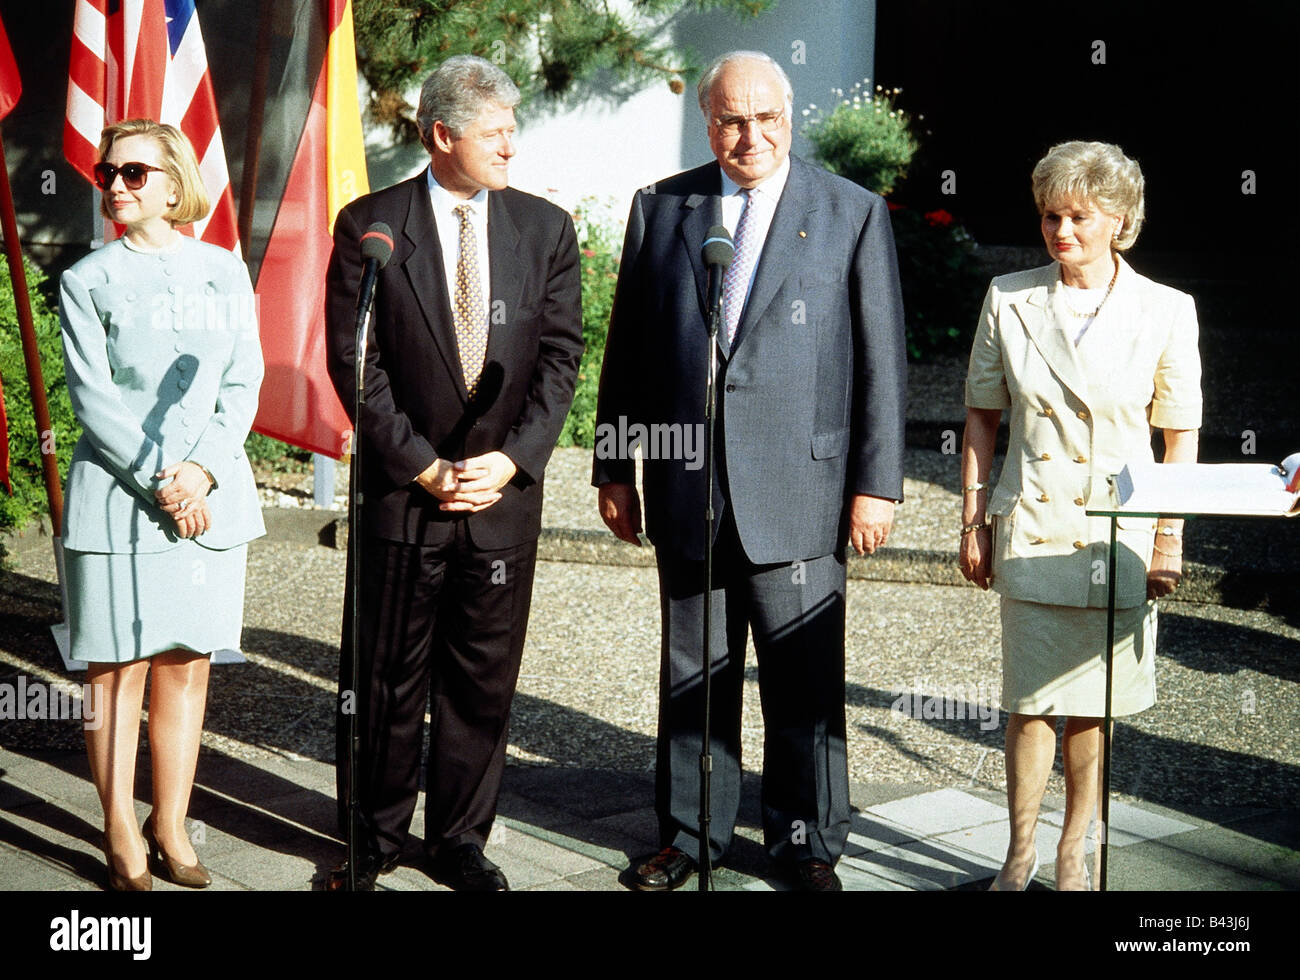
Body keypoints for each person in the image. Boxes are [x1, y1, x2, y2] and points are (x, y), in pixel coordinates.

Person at [593, 50, 907, 891]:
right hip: (689, 483)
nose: (751, 135)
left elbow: (882, 360)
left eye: (767, 117)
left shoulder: (850, 211)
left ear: (789, 116)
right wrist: (614, 463)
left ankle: (804, 843)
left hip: (803, 489)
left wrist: (876, 485)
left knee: (803, 683)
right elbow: (630, 347)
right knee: (693, 676)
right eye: (732, 119)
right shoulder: (663, 207)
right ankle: (691, 838)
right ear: (709, 122)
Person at [323, 55, 582, 892]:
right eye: (495, 132)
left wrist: (511, 460)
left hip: (499, 500)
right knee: (387, 676)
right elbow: (353, 364)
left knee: (480, 679)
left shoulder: (545, 229)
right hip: (405, 498)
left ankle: (461, 841)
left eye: (513, 129)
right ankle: (374, 837)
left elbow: (559, 359)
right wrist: (425, 467)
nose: (513, 146)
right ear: (441, 135)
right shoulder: (371, 224)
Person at [959, 141, 1201, 891]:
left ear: (1119, 220)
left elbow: (1179, 435)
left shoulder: (1166, 309)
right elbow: (980, 419)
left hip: (1116, 540)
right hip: (1032, 527)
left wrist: (1168, 535)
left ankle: (1075, 850)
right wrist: (971, 521)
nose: (1060, 231)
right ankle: (1019, 849)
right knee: (1029, 706)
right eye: (1049, 216)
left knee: (1093, 710)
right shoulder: (1009, 297)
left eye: (1078, 217)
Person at [59, 119, 265, 890]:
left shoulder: (223, 272)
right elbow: (94, 400)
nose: (115, 185)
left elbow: (243, 380)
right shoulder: (87, 280)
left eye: (134, 173)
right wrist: (163, 479)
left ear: (174, 184)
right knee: (116, 672)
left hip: (210, 501)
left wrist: (204, 473)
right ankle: (118, 827)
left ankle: (171, 822)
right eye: (107, 173)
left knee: (186, 664)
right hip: (119, 498)